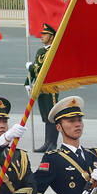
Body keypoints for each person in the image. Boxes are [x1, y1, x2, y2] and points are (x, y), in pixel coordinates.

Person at [26, 23, 59, 152]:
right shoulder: (41, 51)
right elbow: (35, 70)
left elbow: (43, 67)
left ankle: (53, 144)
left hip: (51, 87)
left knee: (52, 115)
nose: (42, 37)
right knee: (45, 116)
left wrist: (31, 67)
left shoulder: (53, 50)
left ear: (51, 37)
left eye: (45, 34)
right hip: (41, 87)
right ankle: (47, 143)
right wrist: (27, 82)